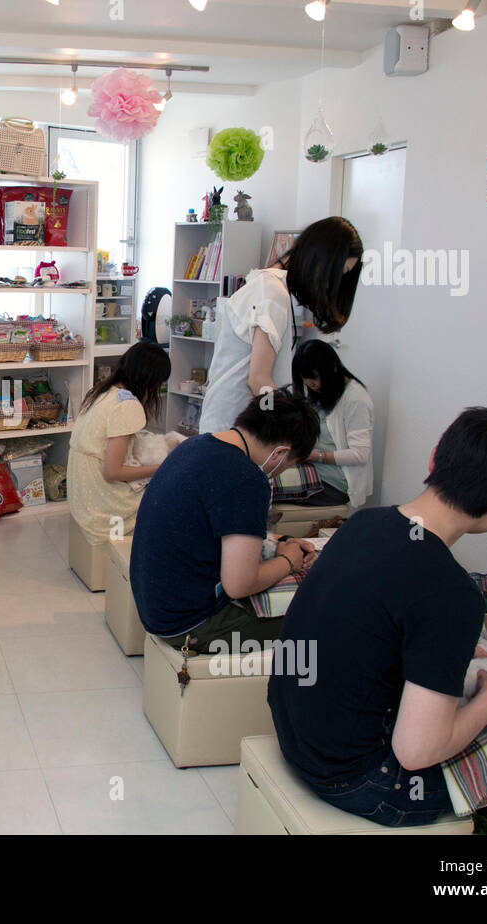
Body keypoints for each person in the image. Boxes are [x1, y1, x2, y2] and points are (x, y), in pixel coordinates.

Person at [267, 407, 487, 833]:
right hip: (361, 784)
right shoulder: (453, 594)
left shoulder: (364, 523)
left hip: (296, 739)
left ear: (433, 459)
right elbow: (415, 752)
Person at [129, 389, 320, 653]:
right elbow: (239, 584)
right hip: (190, 624)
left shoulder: (196, 446)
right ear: (279, 453)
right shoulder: (246, 478)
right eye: (290, 463)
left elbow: (212, 529)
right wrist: (289, 561)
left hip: (157, 607)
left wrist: (280, 544)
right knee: (321, 614)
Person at [198, 217, 363, 436]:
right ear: (322, 260)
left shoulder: (272, 286)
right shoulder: (272, 292)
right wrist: (283, 423)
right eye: (339, 273)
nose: (334, 284)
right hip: (235, 428)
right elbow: (259, 381)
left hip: (234, 425)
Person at [67, 341, 171, 544]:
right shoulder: (127, 405)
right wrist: (162, 468)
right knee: (172, 495)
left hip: (81, 493)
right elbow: (112, 472)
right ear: (151, 379)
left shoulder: (102, 392)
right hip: (104, 504)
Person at [286, 339, 374, 507]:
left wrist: (315, 456)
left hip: (336, 483)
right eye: (306, 380)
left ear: (333, 368)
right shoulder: (322, 395)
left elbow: (360, 454)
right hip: (312, 468)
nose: (311, 385)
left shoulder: (356, 400)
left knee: (265, 484)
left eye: (314, 379)